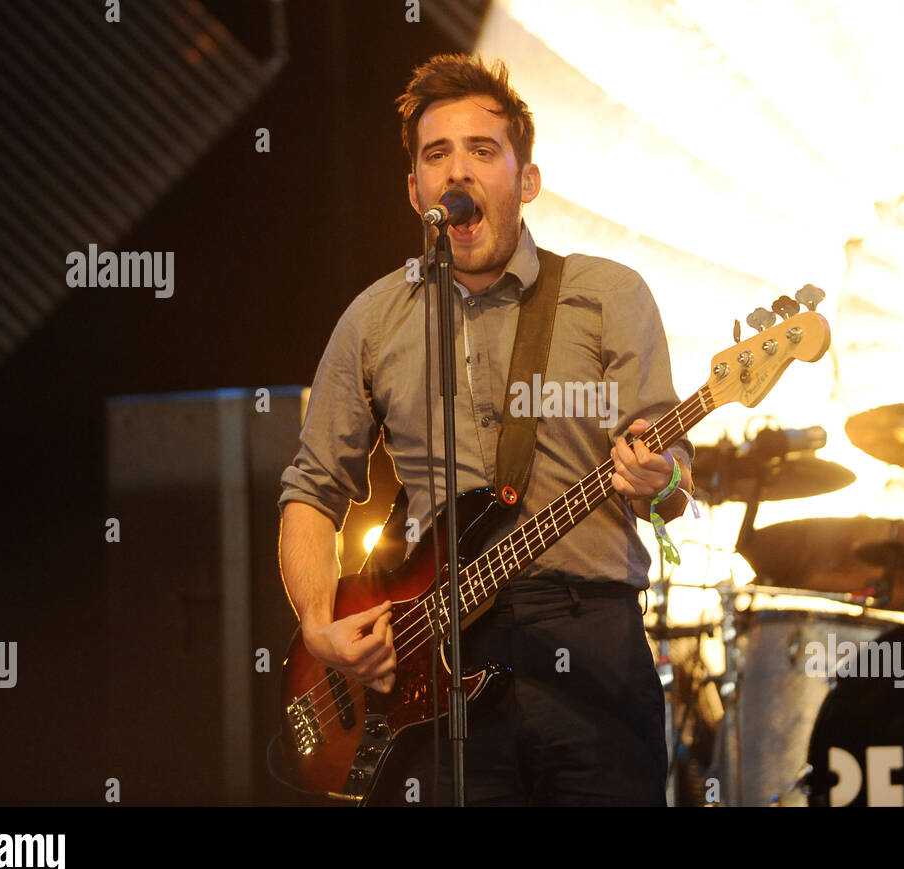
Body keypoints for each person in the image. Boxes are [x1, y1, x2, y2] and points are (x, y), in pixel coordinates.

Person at [276, 54, 694, 806]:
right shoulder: (373, 320)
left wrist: (659, 482)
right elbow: (311, 489)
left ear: (525, 180)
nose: (456, 171)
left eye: (482, 151)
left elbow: (669, 494)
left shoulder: (610, 296)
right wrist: (316, 627)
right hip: (434, 663)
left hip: (590, 640)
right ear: (416, 191)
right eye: (437, 155)